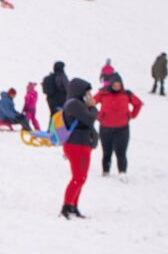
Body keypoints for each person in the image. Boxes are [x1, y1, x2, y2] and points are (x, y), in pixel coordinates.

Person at [60, 78, 99, 217]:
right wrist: (93, 107)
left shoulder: (78, 103)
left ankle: (73, 205)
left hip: (82, 144)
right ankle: (66, 206)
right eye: (87, 92)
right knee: (78, 177)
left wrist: (91, 107)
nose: (89, 95)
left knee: (81, 177)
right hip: (76, 144)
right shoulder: (74, 104)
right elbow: (90, 119)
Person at [94, 75, 143, 178]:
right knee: (107, 151)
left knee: (121, 152)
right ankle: (106, 171)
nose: (116, 87)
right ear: (111, 84)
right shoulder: (103, 93)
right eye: (114, 85)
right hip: (105, 127)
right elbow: (90, 103)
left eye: (118, 85)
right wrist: (98, 115)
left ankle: (122, 172)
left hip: (122, 128)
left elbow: (138, 104)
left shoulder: (126, 94)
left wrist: (131, 115)